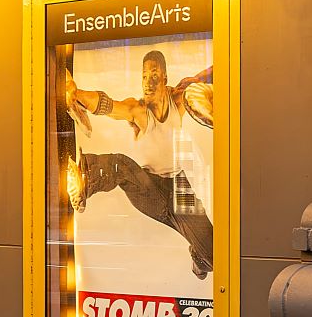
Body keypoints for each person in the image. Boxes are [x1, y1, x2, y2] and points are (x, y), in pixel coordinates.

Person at [60, 48, 215, 278]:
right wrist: (77, 94)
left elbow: (206, 76)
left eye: (154, 75)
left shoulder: (179, 96)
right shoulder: (138, 109)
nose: (148, 82)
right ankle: (84, 178)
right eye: (144, 76)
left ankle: (199, 260)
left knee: (214, 256)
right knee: (120, 164)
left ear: (164, 78)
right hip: (148, 188)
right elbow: (108, 105)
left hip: (179, 186)